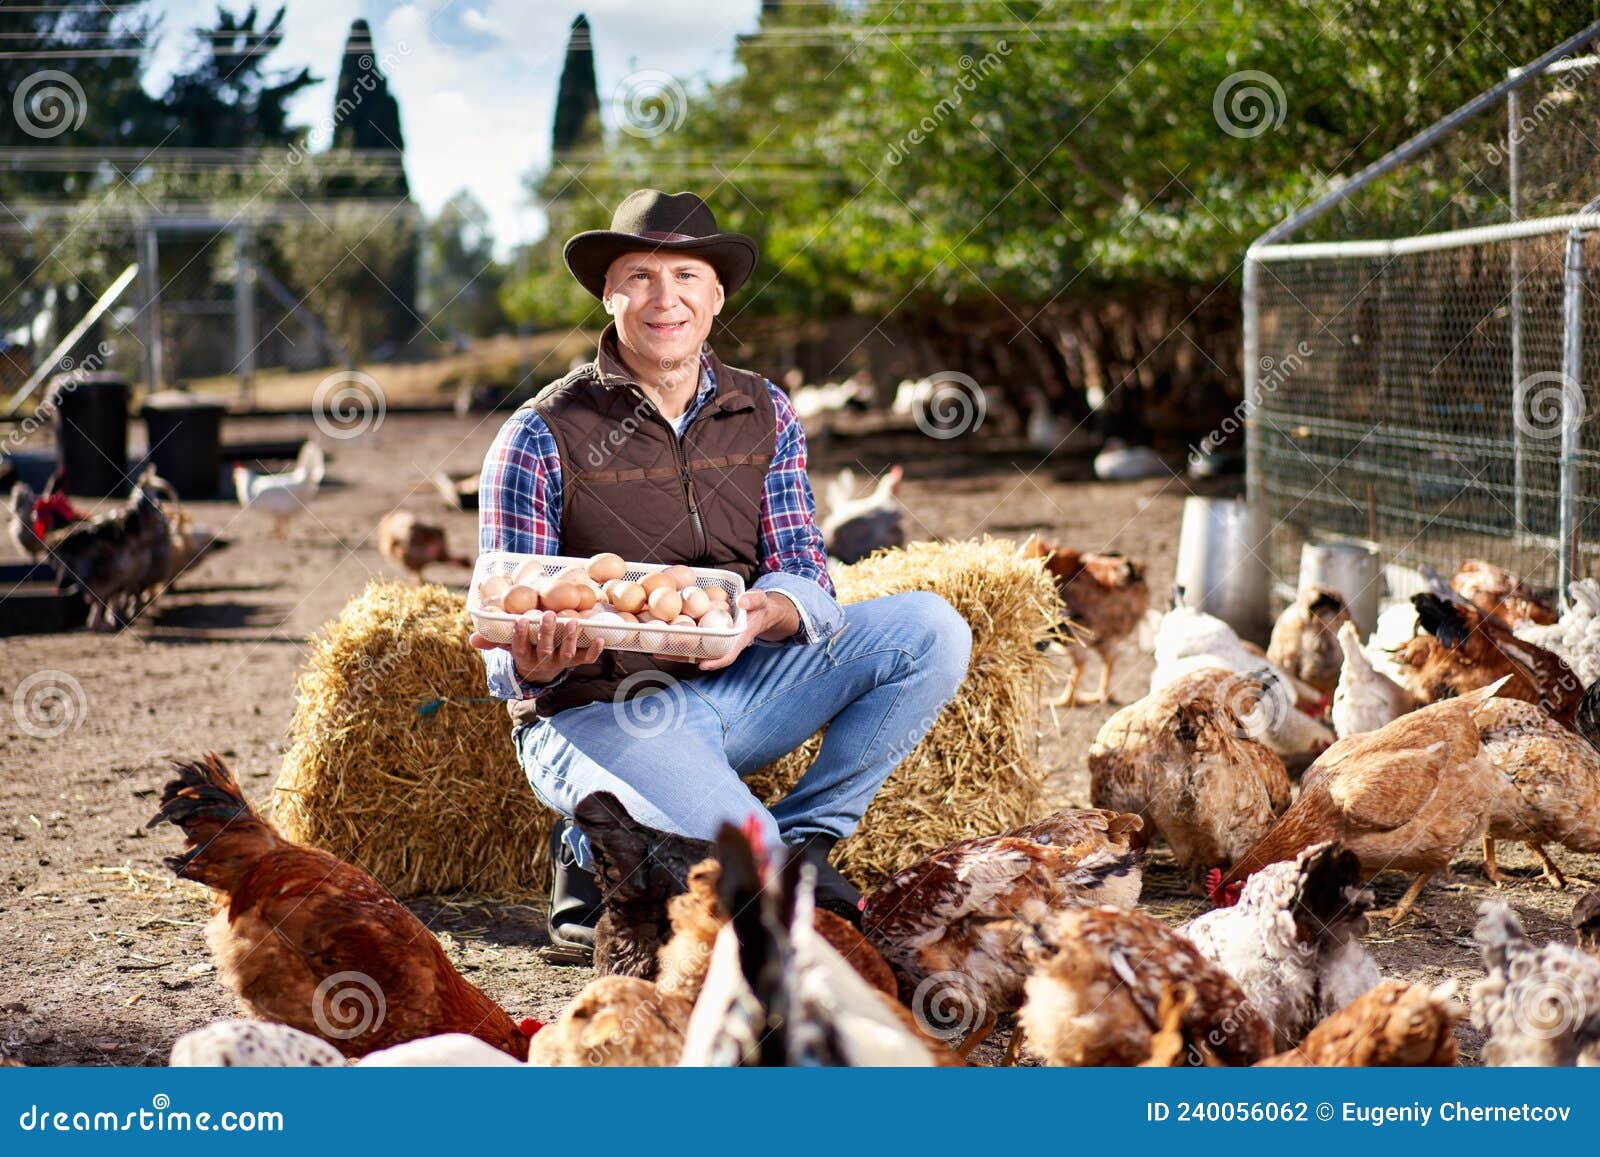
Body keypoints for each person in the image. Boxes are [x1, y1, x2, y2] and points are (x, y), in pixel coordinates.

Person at [474, 188, 970, 963]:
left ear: (716, 296)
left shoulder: (763, 409)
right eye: (639, 276)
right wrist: (534, 661)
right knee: (750, 853)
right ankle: (594, 841)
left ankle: (807, 838)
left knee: (931, 628)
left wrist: (764, 611)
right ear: (608, 295)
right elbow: (506, 643)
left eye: (685, 276)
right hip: (598, 712)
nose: (663, 298)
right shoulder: (538, 436)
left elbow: (807, 572)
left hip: (737, 687)